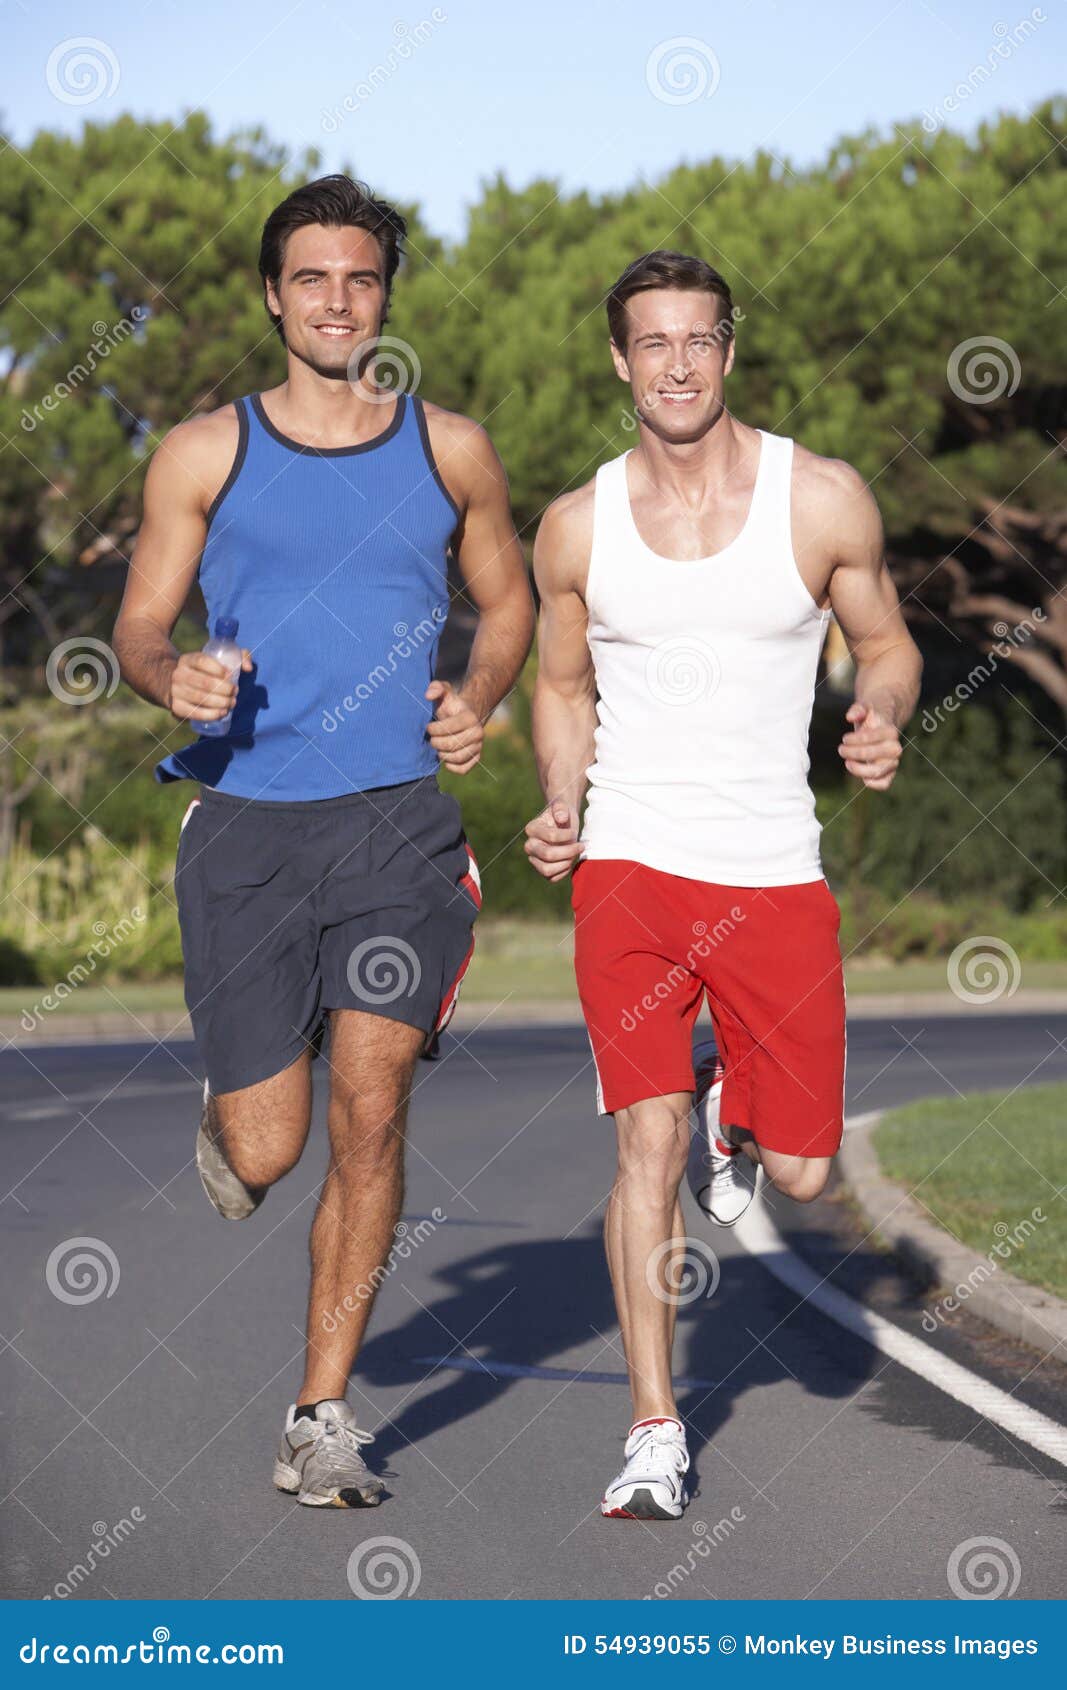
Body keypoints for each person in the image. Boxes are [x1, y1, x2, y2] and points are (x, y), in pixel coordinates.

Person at [113, 175, 534, 1509]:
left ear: (385, 294)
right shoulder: (202, 452)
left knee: (371, 1108)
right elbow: (136, 627)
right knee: (267, 1150)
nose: (335, 299)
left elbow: (509, 599)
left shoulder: (448, 449)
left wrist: (474, 699)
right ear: (272, 294)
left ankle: (319, 1414)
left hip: (396, 832)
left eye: (358, 277)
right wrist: (165, 674)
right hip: (245, 827)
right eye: (311, 277)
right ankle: (235, 1108)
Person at [524, 250, 920, 1520]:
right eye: (653, 343)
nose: (677, 364)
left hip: (770, 871)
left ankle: (731, 1101)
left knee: (802, 1175)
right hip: (630, 866)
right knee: (639, 1147)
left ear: (728, 351)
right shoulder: (575, 526)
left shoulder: (819, 500)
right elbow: (561, 684)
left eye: (698, 340)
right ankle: (653, 1427)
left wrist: (880, 714)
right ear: (619, 361)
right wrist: (558, 799)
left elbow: (888, 644)